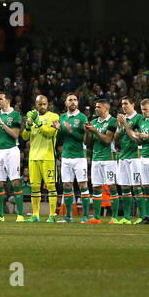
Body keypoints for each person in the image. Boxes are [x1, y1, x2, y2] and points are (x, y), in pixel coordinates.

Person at [22, 94, 60, 222]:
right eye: (40, 104)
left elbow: (50, 133)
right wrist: (28, 124)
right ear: (36, 105)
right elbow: (25, 137)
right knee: (34, 187)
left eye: (44, 104)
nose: (42, 106)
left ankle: (52, 215)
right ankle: (35, 215)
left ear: (48, 104)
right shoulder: (31, 116)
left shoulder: (54, 117)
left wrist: (37, 122)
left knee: (50, 186)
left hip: (48, 157)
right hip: (33, 157)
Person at [0, 89, 25, 221]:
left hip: (11, 150)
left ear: (8, 101)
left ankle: (20, 215)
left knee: (15, 181)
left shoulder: (15, 115)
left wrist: (2, 123)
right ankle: (0, 215)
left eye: (0, 99)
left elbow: (15, 134)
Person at [56, 93, 90, 223]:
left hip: (79, 156)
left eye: (75, 100)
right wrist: (58, 130)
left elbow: (85, 139)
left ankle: (85, 216)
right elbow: (59, 141)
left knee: (82, 185)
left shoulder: (82, 117)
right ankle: (68, 216)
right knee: (67, 185)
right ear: (66, 103)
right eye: (70, 100)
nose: (73, 102)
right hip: (66, 156)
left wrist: (71, 131)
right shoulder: (62, 117)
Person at [87, 98, 118, 224]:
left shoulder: (113, 121)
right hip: (96, 158)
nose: (96, 109)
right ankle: (97, 217)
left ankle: (114, 217)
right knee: (96, 188)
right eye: (95, 107)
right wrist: (87, 132)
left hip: (109, 158)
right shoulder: (94, 121)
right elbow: (87, 142)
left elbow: (107, 140)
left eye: (98, 107)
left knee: (111, 186)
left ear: (106, 108)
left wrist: (94, 130)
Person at [116, 97, 144, 225]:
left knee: (137, 187)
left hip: (135, 157)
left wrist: (125, 125)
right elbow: (116, 139)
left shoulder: (139, 119)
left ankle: (142, 217)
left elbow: (135, 138)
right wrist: (119, 126)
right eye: (122, 104)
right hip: (123, 156)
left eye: (126, 104)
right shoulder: (124, 119)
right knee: (125, 187)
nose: (124, 106)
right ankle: (127, 217)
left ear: (133, 105)